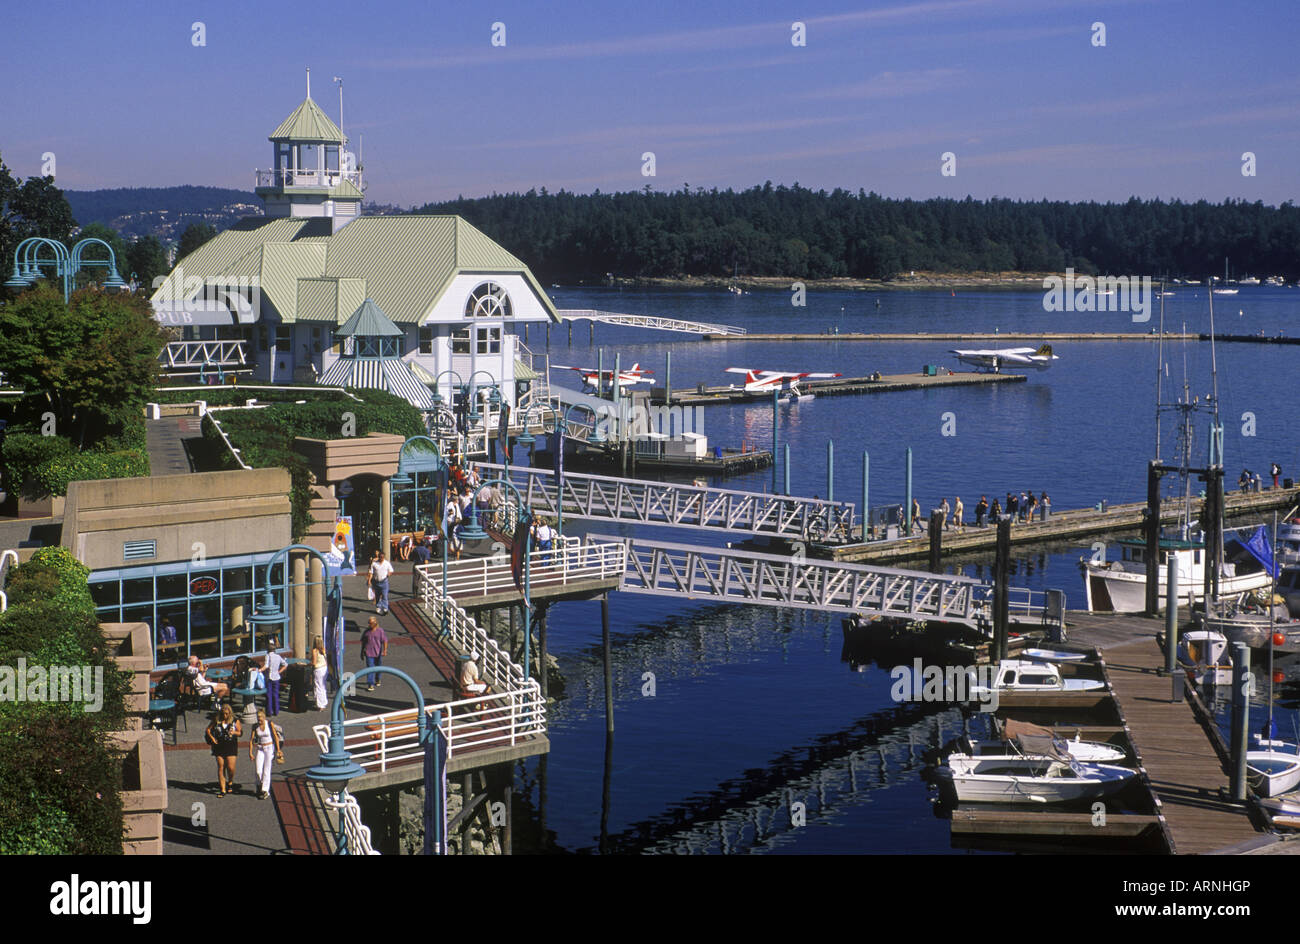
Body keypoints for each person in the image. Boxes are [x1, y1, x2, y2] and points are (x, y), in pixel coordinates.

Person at [205, 704, 241, 796]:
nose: (225, 716)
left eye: (226, 714)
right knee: (221, 767)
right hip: (219, 746)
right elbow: (208, 730)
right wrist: (212, 738)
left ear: (230, 713)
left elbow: (240, 732)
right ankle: (223, 789)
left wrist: (234, 732)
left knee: (231, 768)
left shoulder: (235, 721)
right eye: (223, 713)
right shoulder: (217, 720)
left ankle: (230, 782)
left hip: (231, 746)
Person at [248, 708, 281, 800]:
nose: (259, 719)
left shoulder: (269, 724)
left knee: (267, 769)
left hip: (269, 748)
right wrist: (250, 752)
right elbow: (251, 740)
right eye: (258, 717)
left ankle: (265, 790)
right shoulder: (255, 726)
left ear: (264, 717)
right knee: (258, 770)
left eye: (261, 717)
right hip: (260, 748)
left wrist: (278, 750)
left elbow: (275, 737)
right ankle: (259, 785)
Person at [361, 617, 389, 692]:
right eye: (369, 623)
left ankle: (378, 679)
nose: (369, 625)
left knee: (378, 667)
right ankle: (370, 684)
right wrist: (361, 652)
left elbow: (385, 641)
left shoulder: (380, 631)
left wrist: (385, 650)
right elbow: (363, 642)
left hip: (377, 653)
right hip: (368, 653)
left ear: (375, 623)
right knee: (370, 669)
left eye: (371, 623)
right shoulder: (366, 632)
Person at [369, 550, 394, 616]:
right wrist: (369, 580)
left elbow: (391, 570)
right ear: (379, 557)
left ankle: (385, 608)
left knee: (384, 595)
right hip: (376, 582)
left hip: (384, 581)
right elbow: (371, 572)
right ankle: (378, 607)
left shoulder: (387, 563)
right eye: (380, 557)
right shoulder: (374, 564)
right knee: (377, 596)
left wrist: (389, 574)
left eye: (382, 557)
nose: (381, 558)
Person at [265, 641, 286, 717]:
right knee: (275, 695)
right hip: (276, 677)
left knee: (269, 695)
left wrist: (259, 670)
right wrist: (279, 672)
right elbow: (285, 665)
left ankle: (269, 712)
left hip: (270, 677)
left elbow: (266, 666)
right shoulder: (278, 656)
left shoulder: (268, 656)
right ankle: (276, 711)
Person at [310, 638, 328, 710]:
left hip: (318, 669)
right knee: (323, 686)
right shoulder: (323, 649)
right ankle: (323, 701)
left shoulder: (315, 651)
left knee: (318, 686)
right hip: (324, 667)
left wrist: (308, 663)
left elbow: (314, 663)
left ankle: (320, 705)